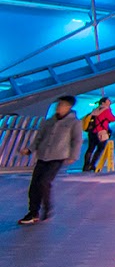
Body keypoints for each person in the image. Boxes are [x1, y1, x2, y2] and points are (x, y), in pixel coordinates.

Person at [19, 96, 81, 224]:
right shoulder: (49, 121)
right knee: (34, 184)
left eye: (62, 105)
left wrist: (73, 156)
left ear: (69, 107)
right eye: (58, 104)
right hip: (43, 156)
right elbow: (39, 138)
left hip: (57, 157)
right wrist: (30, 150)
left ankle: (47, 207)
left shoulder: (74, 123)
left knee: (44, 182)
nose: (58, 107)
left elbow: (77, 140)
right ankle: (33, 212)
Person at [81, 96, 115, 173]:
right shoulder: (106, 110)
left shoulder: (95, 110)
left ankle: (86, 166)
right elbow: (113, 119)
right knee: (99, 149)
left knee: (90, 149)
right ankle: (92, 165)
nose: (109, 102)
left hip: (92, 132)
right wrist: (109, 110)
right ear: (103, 103)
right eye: (108, 101)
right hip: (101, 132)